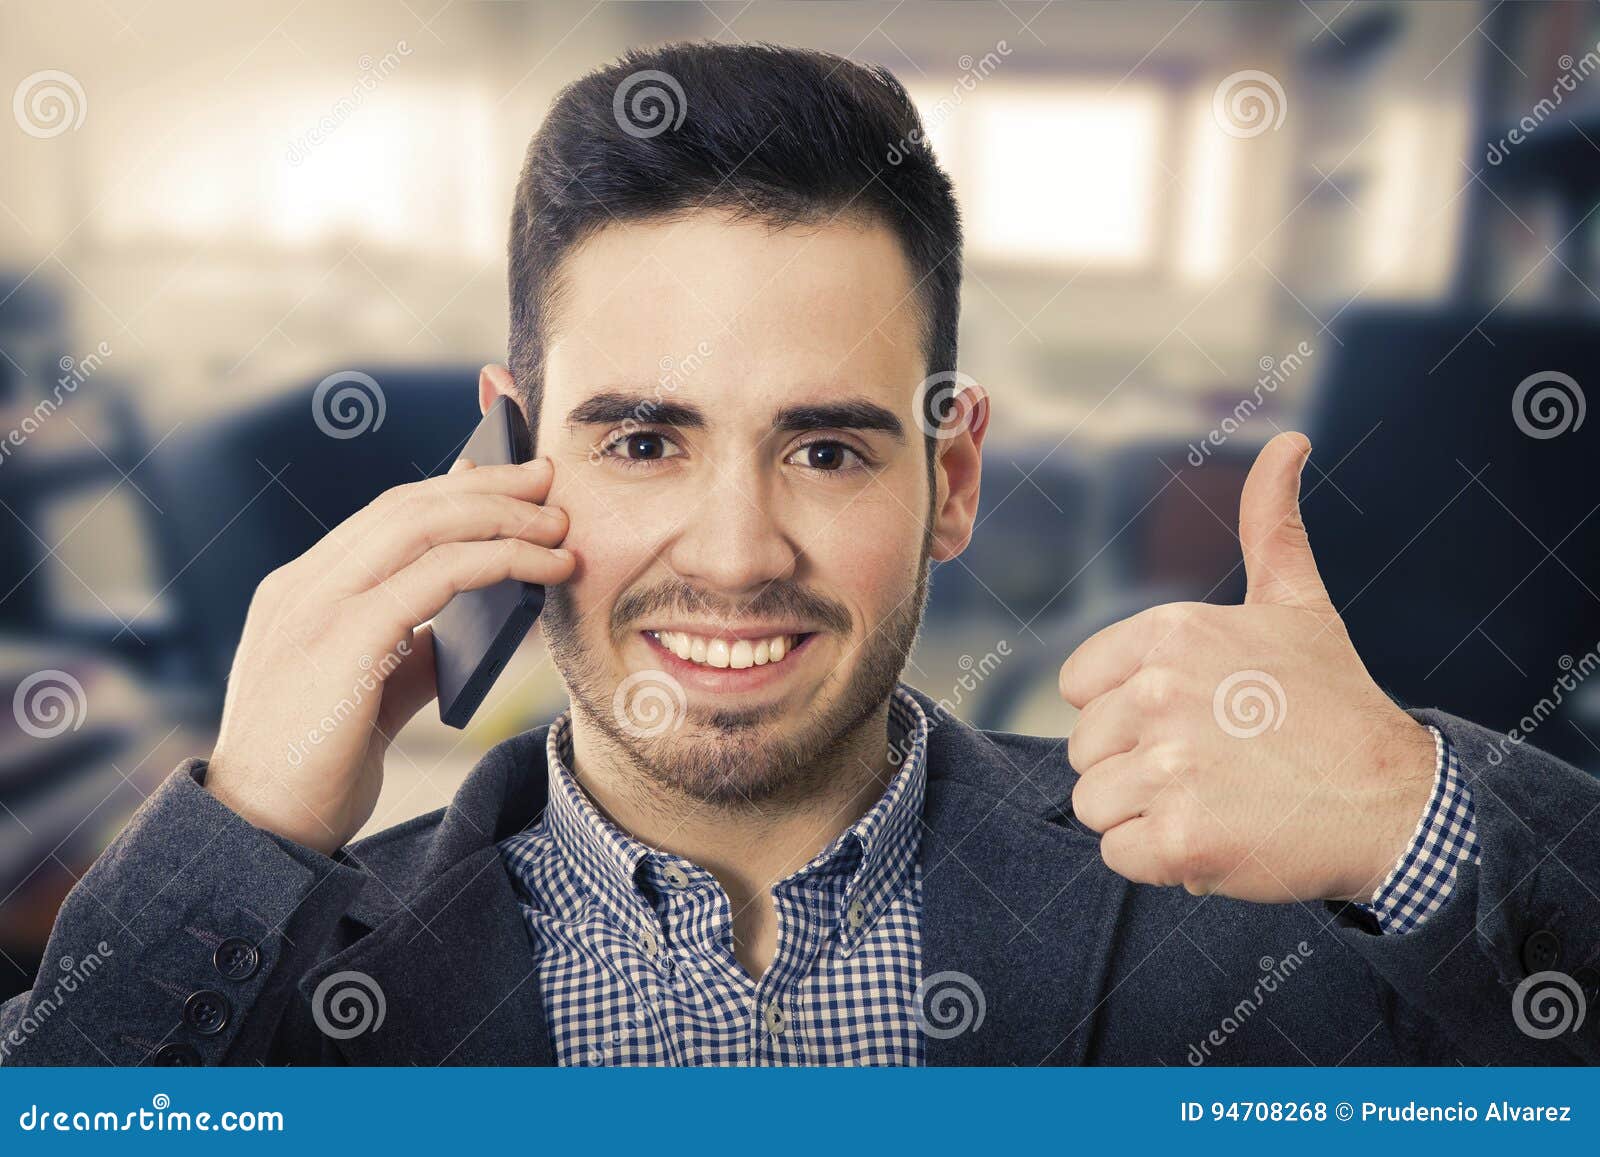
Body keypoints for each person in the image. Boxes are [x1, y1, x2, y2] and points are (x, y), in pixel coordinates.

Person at [3, 41, 1595, 1067]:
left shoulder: (1249, 905)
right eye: (643, 439)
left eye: (828, 446)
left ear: (952, 474)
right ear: (512, 449)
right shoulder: (281, 977)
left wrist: (1413, 809)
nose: (736, 548)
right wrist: (232, 831)